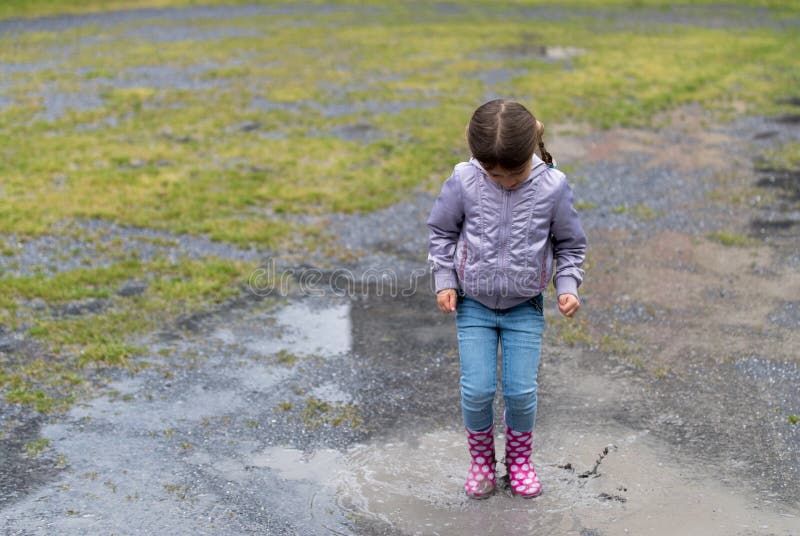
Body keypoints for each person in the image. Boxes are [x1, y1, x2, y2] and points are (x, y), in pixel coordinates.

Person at [426, 99, 586, 499]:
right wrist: (445, 279)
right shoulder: (464, 179)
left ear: (531, 150)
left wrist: (566, 287)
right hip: (474, 304)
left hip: (524, 307)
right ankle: (481, 461)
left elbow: (570, 245)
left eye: (513, 174)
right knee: (477, 389)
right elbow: (442, 233)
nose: (505, 182)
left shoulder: (553, 185)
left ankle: (519, 461)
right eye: (494, 175)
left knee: (520, 391)